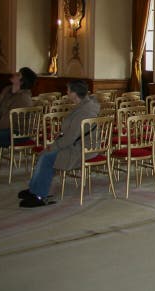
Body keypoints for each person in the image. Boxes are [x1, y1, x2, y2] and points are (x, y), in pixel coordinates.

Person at [19, 80, 99, 208]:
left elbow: (70, 138)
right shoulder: (86, 105)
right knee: (45, 154)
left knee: (46, 157)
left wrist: (53, 146)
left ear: (74, 94)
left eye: (68, 90)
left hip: (81, 149)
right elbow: (75, 132)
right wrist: (61, 135)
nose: (66, 93)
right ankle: (34, 189)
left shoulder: (84, 111)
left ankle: (39, 195)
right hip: (79, 144)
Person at [0, 67, 37, 185]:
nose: (14, 74)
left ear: (22, 81)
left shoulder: (23, 98)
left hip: (17, 133)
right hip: (3, 129)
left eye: (18, 74)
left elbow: (7, 121)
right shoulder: (7, 90)